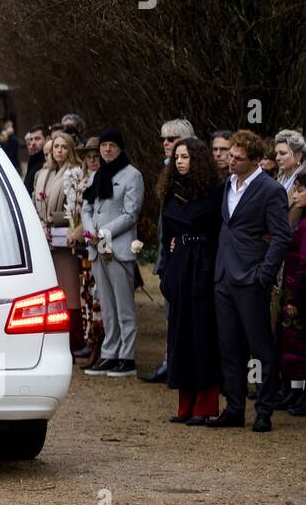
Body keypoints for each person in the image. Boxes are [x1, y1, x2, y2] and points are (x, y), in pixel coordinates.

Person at [209, 129, 292, 431]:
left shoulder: (270, 190)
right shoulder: (227, 184)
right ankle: (234, 407)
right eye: (229, 155)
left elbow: (282, 236)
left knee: (261, 347)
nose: (229, 161)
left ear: (255, 161)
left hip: (252, 278)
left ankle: (264, 410)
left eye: (237, 158)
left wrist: (264, 273)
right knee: (229, 345)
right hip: (224, 277)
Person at [155, 138, 224, 424]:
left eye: (185, 157)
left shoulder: (215, 192)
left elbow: (221, 231)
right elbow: (166, 236)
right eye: (177, 157)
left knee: (203, 335)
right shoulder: (171, 192)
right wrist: (168, 272)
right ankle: (186, 402)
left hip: (205, 264)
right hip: (181, 265)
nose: (180, 161)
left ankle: (206, 403)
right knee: (181, 334)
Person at [81, 125, 144, 377]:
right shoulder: (98, 175)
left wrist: (104, 232)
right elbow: (87, 208)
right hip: (96, 247)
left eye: (112, 146)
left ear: (120, 149)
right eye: (104, 145)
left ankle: (126, 356)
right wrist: (89, 232)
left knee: (124, 305)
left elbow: (131, 213)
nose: (107, 150)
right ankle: (110, 352)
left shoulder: (132, 175)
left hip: (117, 248)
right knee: (106, 305)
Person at [142, 118, 198, 383]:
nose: (166, 144)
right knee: (170, 314)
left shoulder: (194, 177)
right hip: (171, 253)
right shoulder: (168, 172)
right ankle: (171, 360)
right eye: (164, 139)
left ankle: (178, 363)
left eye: (172, 139)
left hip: (189, 255)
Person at [33, 131, 86, 356]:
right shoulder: (42, 173)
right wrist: (40, 224)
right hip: (45, 237)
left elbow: (76, 210)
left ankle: (74, 339)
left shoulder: (74, 173)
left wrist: (52, 220)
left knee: (68, 289)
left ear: (70, 149)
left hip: (64, 237)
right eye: (56, 147)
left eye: (64, 147)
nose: (60, 151)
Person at [277, 170, 306, 416]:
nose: (295, 197)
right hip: (295, 287)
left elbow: (303, 261)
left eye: (300, 192)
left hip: (299, 291)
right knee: (295, 343)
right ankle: (295, 390)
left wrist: (294, 295)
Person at [74, 136, 103, 362]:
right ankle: (89, 338)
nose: (92, 161)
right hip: (83, 247)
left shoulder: (103, 180)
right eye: (89, 157)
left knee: (97, 299)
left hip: (99, 241)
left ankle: (99, 342)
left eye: (96, 156)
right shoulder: (81, 181)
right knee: (85, 294)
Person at [23, 125, 49, 196]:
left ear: (47, 139)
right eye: (31, 139)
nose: (33, 143)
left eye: (37, 139)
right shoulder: (33, 160)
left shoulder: (48, 163)